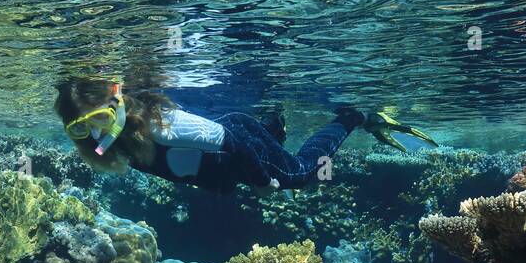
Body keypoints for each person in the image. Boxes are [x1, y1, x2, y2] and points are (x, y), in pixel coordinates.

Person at [54, 76, 436, 195]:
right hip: (228, 155)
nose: (98, 132)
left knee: (301, 176)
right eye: (82, 128)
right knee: (273, 154)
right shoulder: (117, 143)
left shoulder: (159, 126)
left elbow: (230, 141)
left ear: (116, 101)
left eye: (102, 117)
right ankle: (275, 124)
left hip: (238, 141)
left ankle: (354, 118)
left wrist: (261, 180)